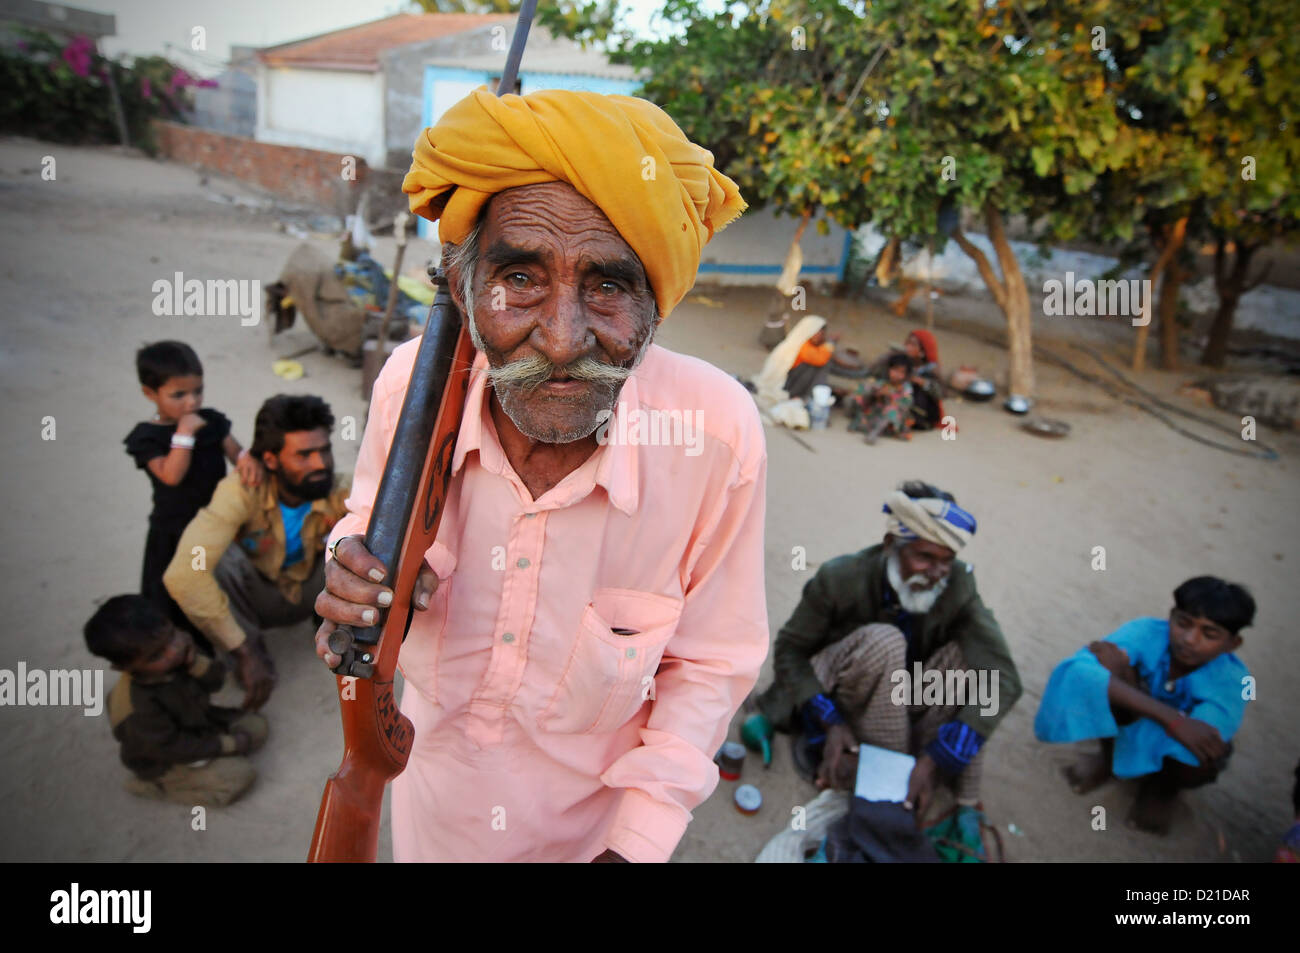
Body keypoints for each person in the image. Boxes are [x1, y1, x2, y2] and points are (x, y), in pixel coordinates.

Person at [314, 88, 768, 862]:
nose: (562, 341)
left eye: (608, 286)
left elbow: (712, 664)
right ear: (461, 287)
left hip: (593, 834)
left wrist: (636, 840)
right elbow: (363, 515)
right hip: (430, 803)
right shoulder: (409, 390)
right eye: (519, 279)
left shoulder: (715, 436)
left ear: (657, 304)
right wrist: (352, 562)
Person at [754, 481, 1021, 819]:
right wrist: (831, 721)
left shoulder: (958, 585)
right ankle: (880, 768)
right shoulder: (840, 577)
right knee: (885, 640)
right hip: (843, 694)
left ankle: (914, 772)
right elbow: (789, 651)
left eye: (947, 561)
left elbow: (1004, 678)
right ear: (891, 544)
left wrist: (934, 758)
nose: (937, 573)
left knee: (970, 661)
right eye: (925, 557)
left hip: (904, 697)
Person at [164, 395, 349, 711]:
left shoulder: (339, 487)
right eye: (304, 455)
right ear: (271, 460)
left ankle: (337, 627)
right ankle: (246, 651)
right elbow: (181, 576)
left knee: (355, 536)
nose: (321, 464)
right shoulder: (240, 490)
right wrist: (243, 648)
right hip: (260, 596)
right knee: (211, 561)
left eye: (324, 450)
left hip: (311, 590)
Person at [1035, 576, 1254, 835]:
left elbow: (1202, 736)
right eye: (1183, 623)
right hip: (1147, 723)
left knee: (1204, 753)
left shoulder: (1234, 680)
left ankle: (1161, 790)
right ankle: (1109, 760)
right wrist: (1174, 720)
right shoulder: (1147, 632)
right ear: (1171, 616)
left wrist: (1125, 685)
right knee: (1102, 681)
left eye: (1210, 633)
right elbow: (1080, 670)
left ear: (1233, 644)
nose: (1190, 639)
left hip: (1166, 744)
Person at [124, 341, 262, 654]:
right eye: (179, 395)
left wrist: (246, 459)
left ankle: (226, 643)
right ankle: (180, 651)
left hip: (214, 524)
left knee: (217, 584)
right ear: (150, 393)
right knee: (173, 594)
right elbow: (171, 476)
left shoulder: (210, 421)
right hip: (174, 529)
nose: (192, 402)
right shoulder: (147, 437)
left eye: (197, 391)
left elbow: (235, 452)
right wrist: (184, 434)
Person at [85, 595, 267, 806]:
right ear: (125, 668)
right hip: (165, 758)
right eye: (156, 656)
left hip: (198, 721)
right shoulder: (134, 708)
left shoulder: (180, 653)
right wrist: (228, 744)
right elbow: (171, 747)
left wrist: (195, 663)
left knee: (258, 727)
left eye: (172, 636)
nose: (173, 652)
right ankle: (159, 786)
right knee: (239, 775)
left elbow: (216, 682)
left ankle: (214, 755)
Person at [751, 315, 840, 410]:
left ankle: (815, 395)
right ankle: (809, 397)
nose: (820, 335)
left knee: (823, 364)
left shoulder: (808, 344)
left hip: (794, 380)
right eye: (817, 332)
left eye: (822, 333)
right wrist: (830, 344)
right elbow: (820, 360)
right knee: (818, 366)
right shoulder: (802, 345)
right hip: (786, 383)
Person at [848, 352, 914, 444]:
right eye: (895, 370)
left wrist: (890, 396)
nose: (897, 374)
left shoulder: (906, 388)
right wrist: (876, 395)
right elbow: (868, 400)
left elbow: (906, 404)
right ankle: (869, 428)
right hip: (877, 415)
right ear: (889, 369)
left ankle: (874, 433)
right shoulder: (882, 383)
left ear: (906, 375)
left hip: (893, 421)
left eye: (901, 372)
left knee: (890, 410)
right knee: (864, 390)